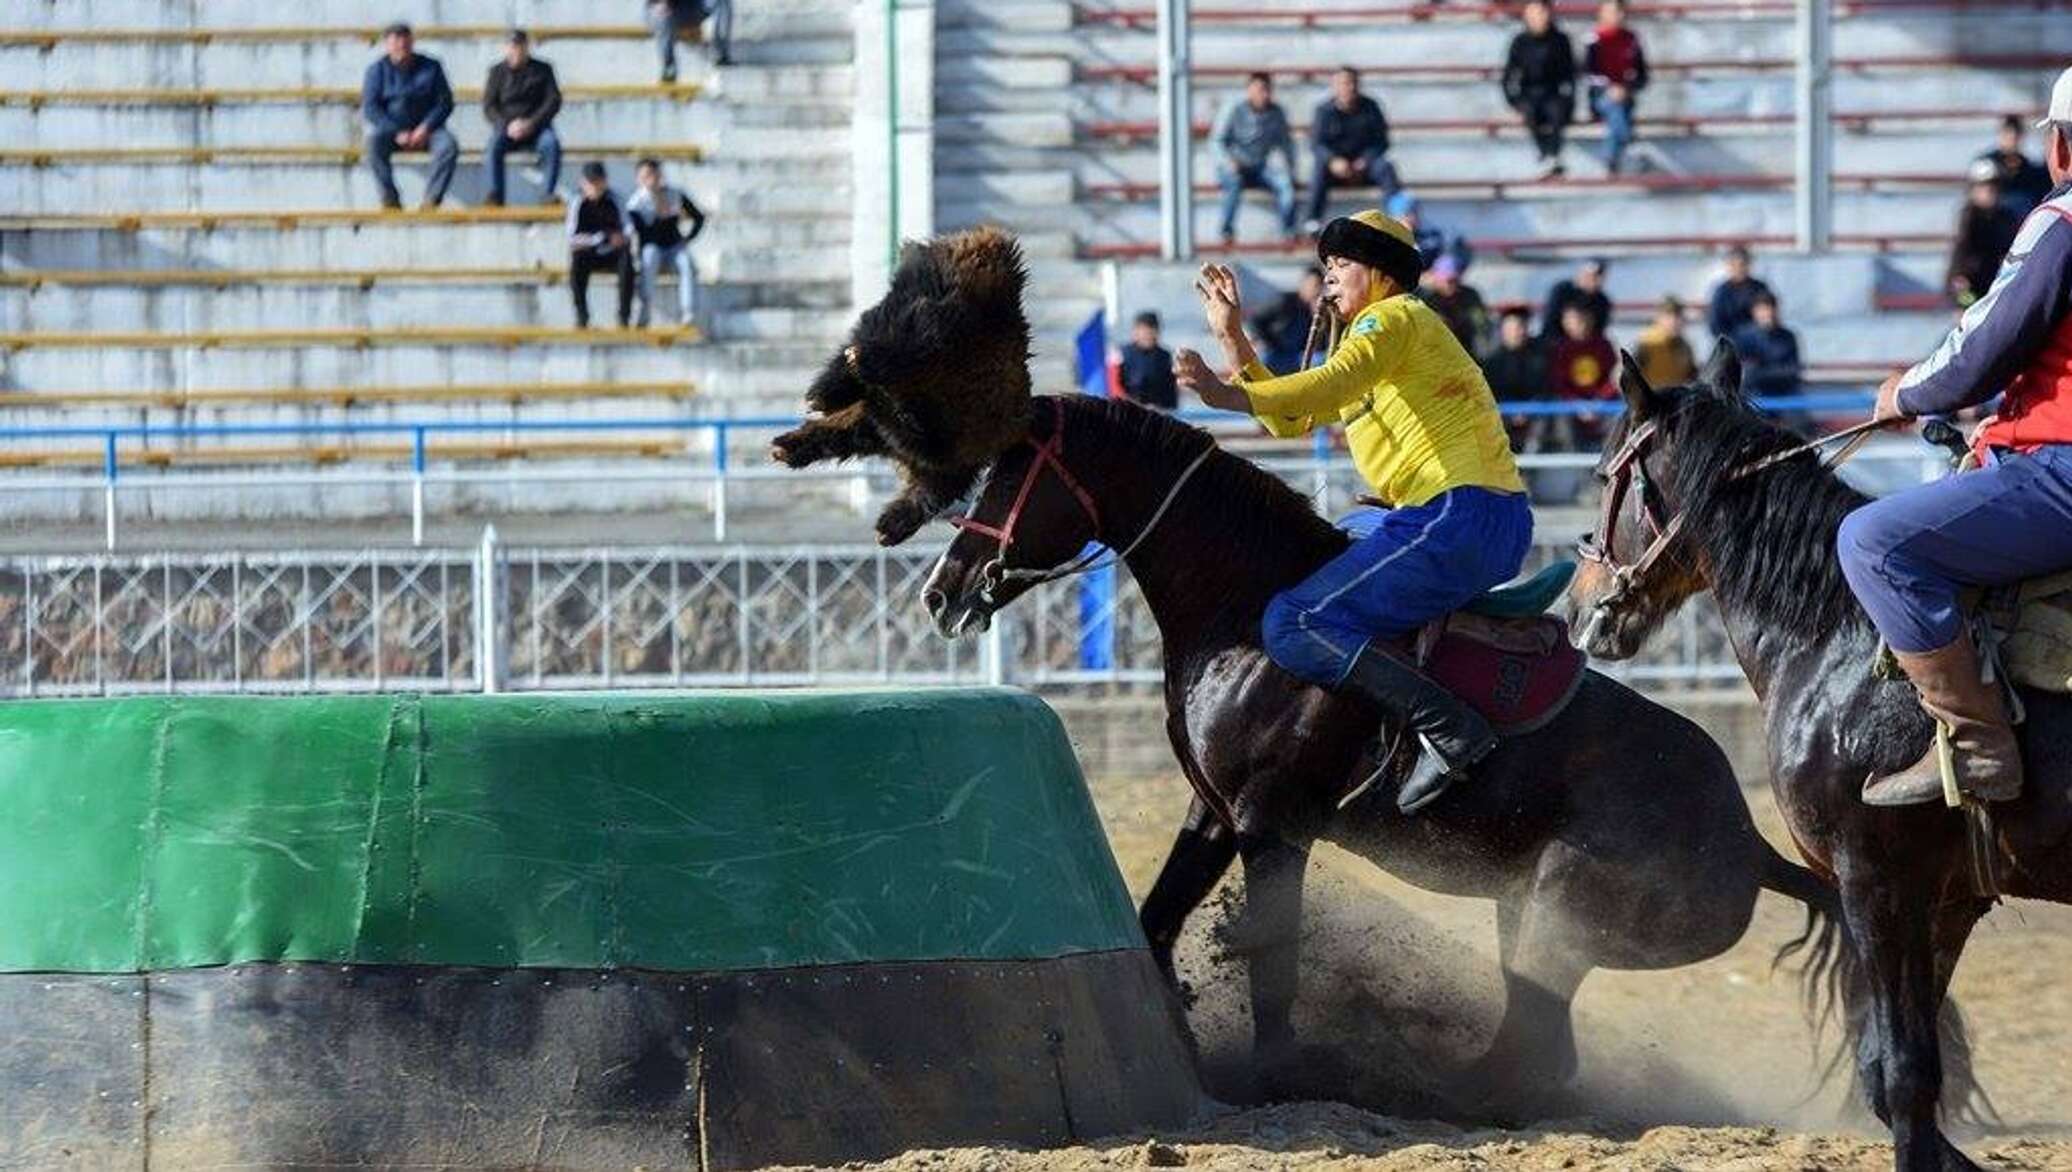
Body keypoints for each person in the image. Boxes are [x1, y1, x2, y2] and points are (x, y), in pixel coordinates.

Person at [1173, 210, 1532, 814]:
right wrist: (1231, 337)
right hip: (1443, 517)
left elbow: (1322, 388)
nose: (1330, 278)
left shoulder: (1394, 318)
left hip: (1460, 512)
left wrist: (1225, 393)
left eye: (1341, 265)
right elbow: (1292, 419)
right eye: (1327, 267)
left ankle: (1447, 728)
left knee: (1292, 623)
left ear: (1381, 272)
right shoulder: (1378, 339)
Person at [1836, 69, 2072, 808]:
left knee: (1872, 543)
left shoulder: (2061, 220)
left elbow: (1983, 345)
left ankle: (1980, 747)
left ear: (2060, 146)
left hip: (2060, 475)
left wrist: (1908, 393)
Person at [360, 23, 458, 210]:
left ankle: (431, 200)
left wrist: (426, 127)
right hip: (392, 132)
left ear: (412, 42)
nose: (401, 47)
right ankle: (390, 199)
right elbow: (371, 108)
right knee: (372, 143)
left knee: (448, 146)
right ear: (387, 45)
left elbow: (445, 103)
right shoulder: (376, 70)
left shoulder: (432, 66)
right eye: (395, 43)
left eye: (405, 42)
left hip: (429, 130)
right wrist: (396, 131)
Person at [1304, 68, 1399, 234]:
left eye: (1352, 83)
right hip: (1335, 169)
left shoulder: (1371, 107)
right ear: (1335, 86)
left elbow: (1382, 142)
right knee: (1319, 167)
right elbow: (1316, 144)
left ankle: (1398, 219)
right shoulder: (1323, 111)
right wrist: (1333, 160)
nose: (1349, 87)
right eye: (1344, 83)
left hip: (1365, 167)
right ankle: (1313, 221)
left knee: (1386, 167)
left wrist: (1365, 160)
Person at [1212, 72, 1299, 244]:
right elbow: (1216, 141)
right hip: (1234, 165)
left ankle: (1288, 230)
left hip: (1260, 166)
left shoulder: (1277, 112)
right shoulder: (1233, 109)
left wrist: (1291, 168)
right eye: (1259, 89)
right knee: (1233, 183)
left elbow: (1286, 143)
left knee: (1285, 183)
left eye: (1267, 89)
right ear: (1249, 90)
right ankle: (1226, 231)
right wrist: (1228, 161)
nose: (1264, 94)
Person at [480, 29, 563, 207]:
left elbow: (553, 101)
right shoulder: (496, 72)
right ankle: (495, 196)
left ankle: (547, 194)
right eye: (512, 46)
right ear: (506, 48)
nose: (516, 50)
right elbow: (489, 106)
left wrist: (531, 123)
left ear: (527, 48)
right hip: (506, 129)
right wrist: (507, 125)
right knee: (493, 146)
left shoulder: (543, 69)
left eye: (520, 46)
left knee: (552, 144)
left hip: (537, 128)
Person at [623, 156, 707, 327]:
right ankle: (644, 309)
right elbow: (638, 232)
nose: (651, 180)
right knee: (649, 258)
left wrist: (688, 237)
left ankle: (688, 311)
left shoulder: (675, 194)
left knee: (687, 262)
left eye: (654, 175)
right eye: (646, 176)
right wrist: (658, 214)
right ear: (639, 179)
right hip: (651, 246)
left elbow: (699, 217)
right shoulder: (636, 203)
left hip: (673, 246)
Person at [1502, 0, 1577, 179]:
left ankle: (1552, 156)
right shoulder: (1519, 42)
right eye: (1534, 13)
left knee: (1557, 111)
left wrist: (1570, 101)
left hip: (1553, 93)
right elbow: (1508, 77)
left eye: (1542, 12)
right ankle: (1546, 156)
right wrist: (1513, 102)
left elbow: (1570, 75)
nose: (1539, 17)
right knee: (1529, 111)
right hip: (1529, 94)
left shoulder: (1561, 40)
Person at [567, 162, 635, 330]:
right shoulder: (577, 202)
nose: (594, 186)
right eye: (590, 182)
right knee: (576, 263)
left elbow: (628, 226)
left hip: (612, 251)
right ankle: (582, 316)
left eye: (598, 181)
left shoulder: (616, 199)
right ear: (583, 183)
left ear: (605, 181)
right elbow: (571, 237)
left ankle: (623, 316)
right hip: (589, 251)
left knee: (627, 261)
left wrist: (623, 238)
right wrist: (599, 238)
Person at [1583, 0, 1648, 174]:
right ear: (1601, 14)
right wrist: (1611, 87)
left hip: (1626, 97)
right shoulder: (1594, 38)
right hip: (1600, 96)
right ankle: (1630, 143)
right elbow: (1589, 73)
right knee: (1615, 107)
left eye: (1619, 12)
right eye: (1611, 12)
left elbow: (1642, 75)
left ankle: (1611, 160)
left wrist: (1625, 88)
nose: (1616, 16)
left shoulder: (1631, 39)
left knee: (1617, 111)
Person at [1949, 159, 2021, 308]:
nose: (1989, 191)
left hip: (1998, 287)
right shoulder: (1969, 218)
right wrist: (1963, 301)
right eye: (1983, 186)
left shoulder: (2006, 218)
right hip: (1972, 289)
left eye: (1993, 186)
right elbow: (1960, 256)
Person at [1481, 306, 1551, 452]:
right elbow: (1489, 394)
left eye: (1521, 327)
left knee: (1544, 421)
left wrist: (1528, 410)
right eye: (1512, 328)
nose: (1517, 333)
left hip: (1532, 413)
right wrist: (1511, 413)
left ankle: (1531, 464)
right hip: (1502, 414)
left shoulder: (1539, 357)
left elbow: (1544, 388)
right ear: (1503, 331)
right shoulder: (1492, 361)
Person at [1549, 302, 1618, 448]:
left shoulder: (1603, 345)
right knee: (1561, 417)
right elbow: (1560, 384)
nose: (1574, 325)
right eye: (1569, 321)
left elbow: (1612, 379)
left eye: (1578, 320)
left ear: (1589, 319)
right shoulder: (1561, 348)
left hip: (1601, 404)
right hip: (1573, 407)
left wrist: (1599, 402)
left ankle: (1609, 460)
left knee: (1620, 416)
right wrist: (1577, 405)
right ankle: (1574, 461)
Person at [1250, 266, 1325, 374]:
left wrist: (1319, 318)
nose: (1315, 290)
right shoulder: (1285, 301)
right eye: (1313, 285)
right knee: (1263, 360)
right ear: (1303, 284)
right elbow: (1256, 320)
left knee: (1321, 359)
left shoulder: (1316, 310)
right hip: (1276, 352)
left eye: (1319, 287)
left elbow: (1320, 345)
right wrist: (1265, 342)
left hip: (1298, 355)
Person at [1977, 113, 2052, 219]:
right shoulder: (1987, 166)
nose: (2011, 140)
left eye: (2015, 135)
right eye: (2007, 134)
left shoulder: (2029, 170)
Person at [1731, 292, 1803, 399]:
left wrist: (1761, 372)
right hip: (1754, 394)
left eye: (1771, 309)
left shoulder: (1788, 336)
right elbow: (1746, 373)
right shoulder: (1743, 337)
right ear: (1754, 312)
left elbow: (1792, 370)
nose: (1768, 314)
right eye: (1763, 309)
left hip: (1784, 392)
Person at [1418, 254, 1490, 358]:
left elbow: (1481, 324)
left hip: (1465, 351)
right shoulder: (1426, 299)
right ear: (1436, 278)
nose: (1451, 284)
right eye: (1448, 280)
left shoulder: (1470, 296)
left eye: (1455, 280)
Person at [1387, 191, 1472, 274]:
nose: (1413, 218)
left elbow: (1461, 251)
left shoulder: (1433, 236)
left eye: (1415, 212)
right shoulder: (1386, 241)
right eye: (1407, 214)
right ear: (1394, 218)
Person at [648, 0, 730, 80]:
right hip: (664, 9)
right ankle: (669, 66)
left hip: (693, 6)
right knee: (661, 14)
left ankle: (719, 53)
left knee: (722, 1)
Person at [1707, 244, 1774, 338]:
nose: (1738, 269)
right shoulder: (1721, 292)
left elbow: (1768, 318)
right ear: (1728, 266)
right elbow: (1715, 325)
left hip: (1759, 342)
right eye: (1734, 265)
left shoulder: (1760, 288)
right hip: (1730, 342)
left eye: (1742, 264)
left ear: (1749, 265)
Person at [1541, 257, 1611, 340]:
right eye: (1593, 275)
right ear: (1581, 274)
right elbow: (1550, 323)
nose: (1596, 280)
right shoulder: (1562, 290)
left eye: (1599, 276)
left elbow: (1599, 332)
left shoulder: (1602, 301)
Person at [1119, 312, 1178, 410]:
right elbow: (1114, 386)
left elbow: (1170, 390)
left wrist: (1164, 408)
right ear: (1136, 332)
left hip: (1158, 411)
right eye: (1146, 331)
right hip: (1127, 410)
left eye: (1153, 331)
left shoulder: (1164, 356)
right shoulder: (1122, 354)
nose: (1149, 335)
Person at [1635, 296, 1697, 388]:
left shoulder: (1685, 347)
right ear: (1658, 318)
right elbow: (1627, 374)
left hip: (1677, 397)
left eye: (1678, 316)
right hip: (1652, 396)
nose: (1674, 321)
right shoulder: (1646, 344)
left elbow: (1693, 376)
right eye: (1669, 316)